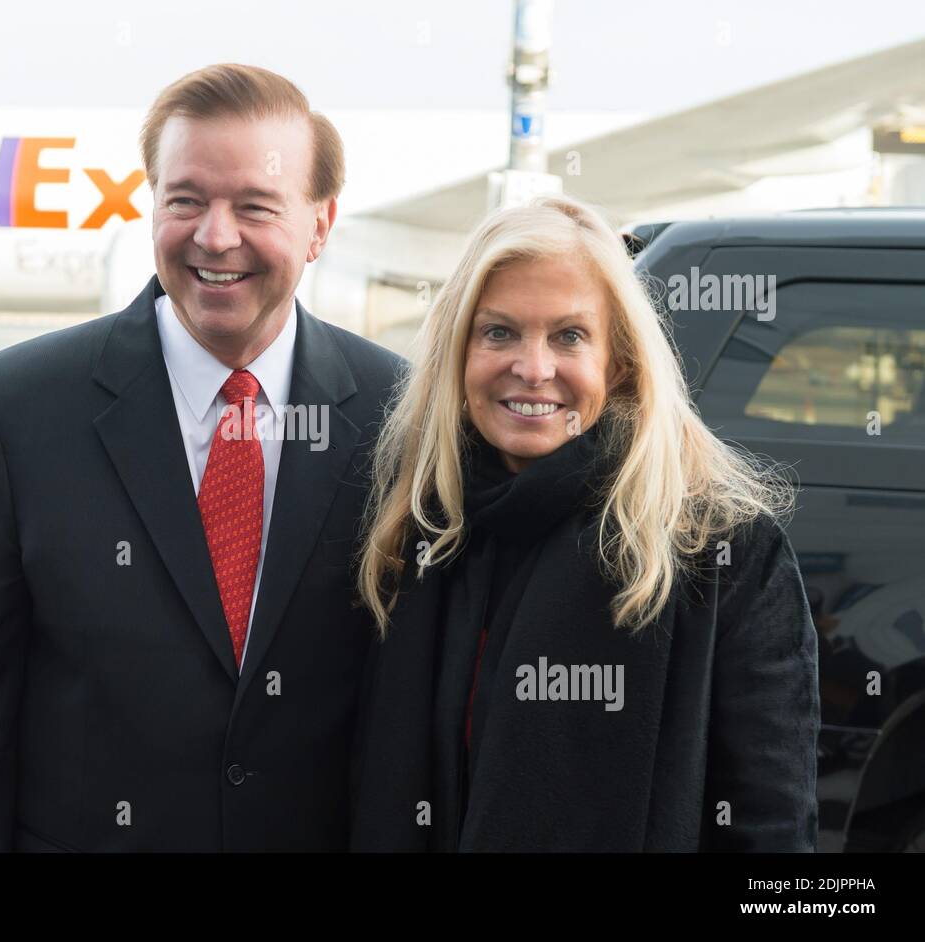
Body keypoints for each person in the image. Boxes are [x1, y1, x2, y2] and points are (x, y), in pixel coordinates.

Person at [0, 63, 403, 851]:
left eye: (255, 206)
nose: (214, 235)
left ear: (321, 225)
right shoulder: (13, 411)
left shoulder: (396, 413)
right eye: (186, 200)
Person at [349, 195, 819, 852]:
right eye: (499, 332)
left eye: (569, 335)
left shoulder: (724, 550)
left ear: (619, 362)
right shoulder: (414, 527)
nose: (533, 368)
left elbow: (769, 830)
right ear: (457, 354)